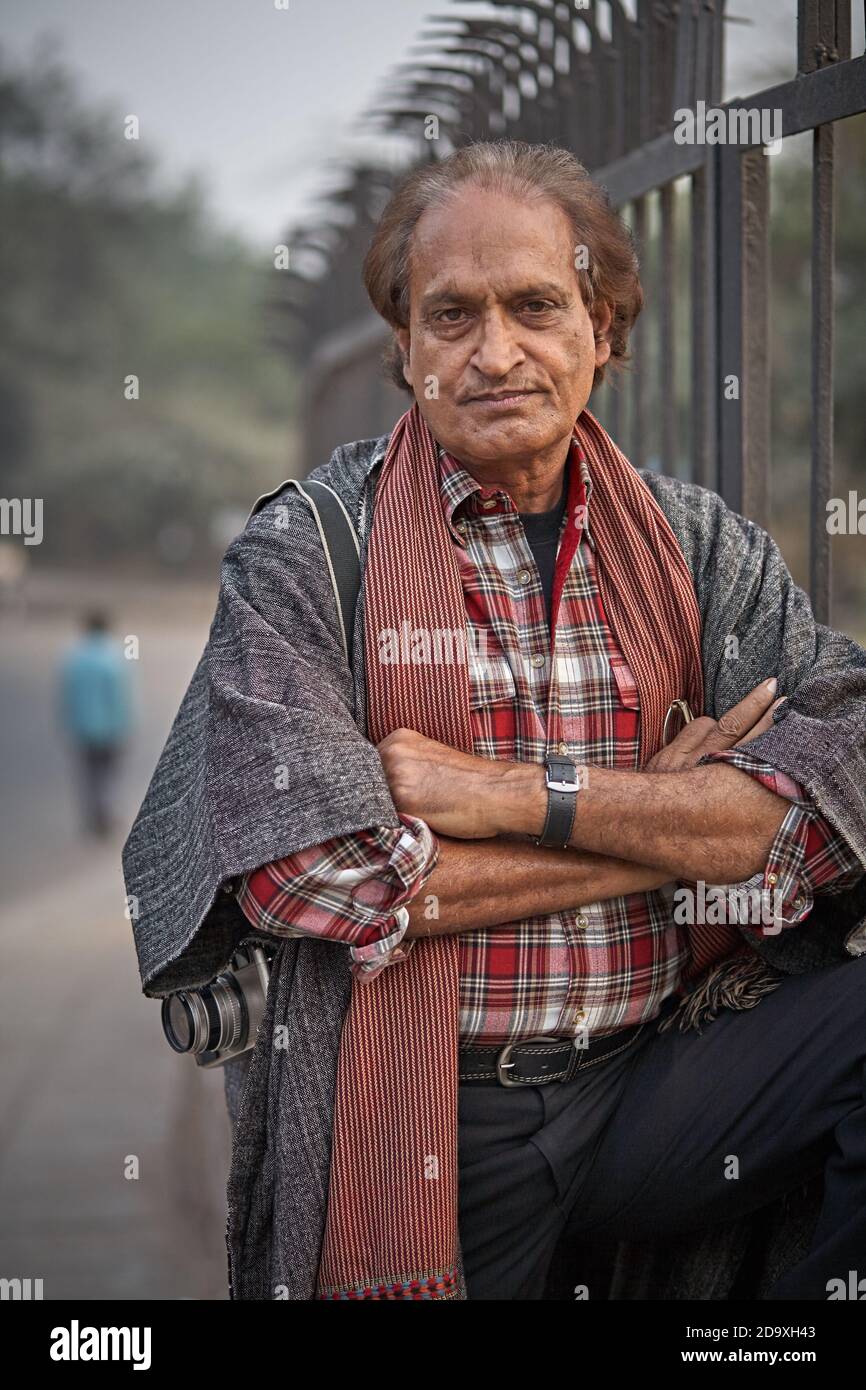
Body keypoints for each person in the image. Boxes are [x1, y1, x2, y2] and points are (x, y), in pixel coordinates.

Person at [123, 141, 866, 1301]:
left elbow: (843, 786)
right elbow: (311, 871)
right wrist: (664, 831)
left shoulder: (697, 546)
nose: (494, 352)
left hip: (657, 1071)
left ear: (602, 329)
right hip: (424, 1106)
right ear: (403, 349)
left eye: (534, 306)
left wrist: (508, 796)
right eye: (451, 315)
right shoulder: (310, 556)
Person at [60, 610, 132, 837]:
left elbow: (67, 696)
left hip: (83, 729)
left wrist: (69, 723)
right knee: (108, 775)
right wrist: (125, 725)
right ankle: (105, 816)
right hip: (109, 728)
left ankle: (91, 816)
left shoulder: (74, 659)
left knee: (88, 775)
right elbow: (120, 698)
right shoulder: (112, 659)